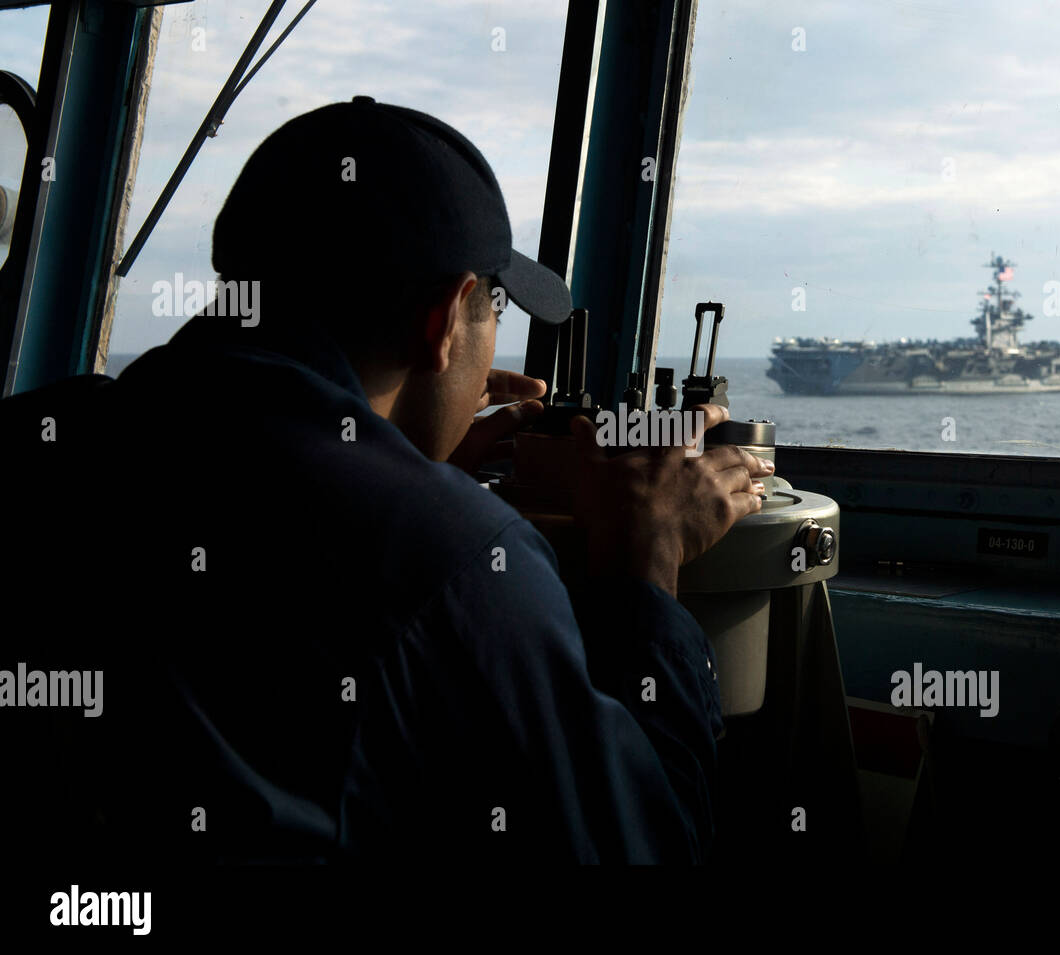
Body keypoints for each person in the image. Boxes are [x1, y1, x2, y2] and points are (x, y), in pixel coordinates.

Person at [0, 97, 771, 864]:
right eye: (495, 304)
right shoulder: (459, 560)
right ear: (445, 318)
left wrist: (399, 465)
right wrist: (647, 566)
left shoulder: (44, 431)